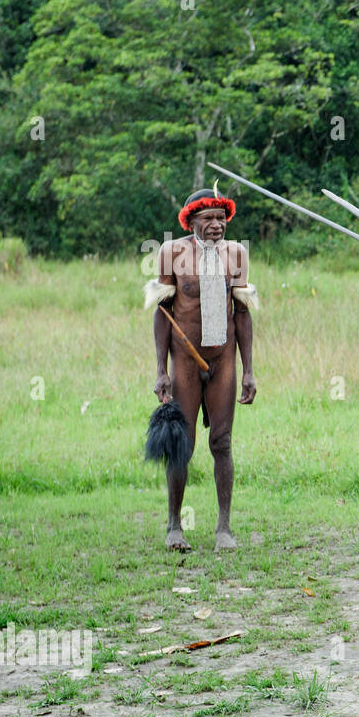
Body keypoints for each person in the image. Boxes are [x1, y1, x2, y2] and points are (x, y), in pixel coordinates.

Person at [144, 186, 257, 551]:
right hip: (186, 361)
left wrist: (248, 370)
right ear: (191, 221)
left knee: (222, 442)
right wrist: (161, 370)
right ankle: (174, 526)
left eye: (221, 218)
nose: (216, 225)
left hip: (223, 360)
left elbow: (242, 313)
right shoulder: (172, 252)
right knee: (183, 443)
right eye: (208, 218)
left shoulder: (236, 254)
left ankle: (224, 529)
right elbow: (162, 313)